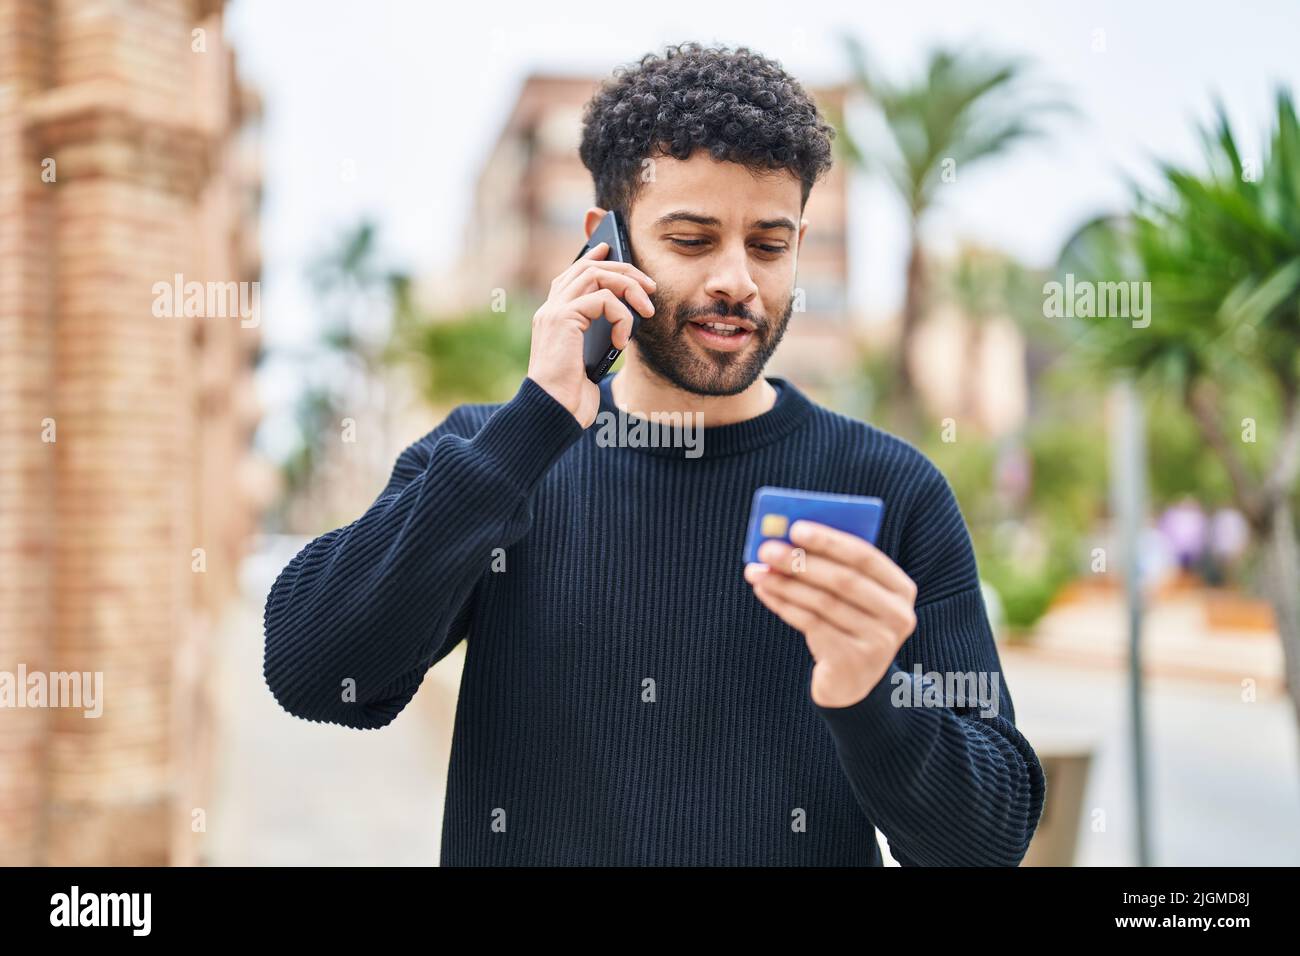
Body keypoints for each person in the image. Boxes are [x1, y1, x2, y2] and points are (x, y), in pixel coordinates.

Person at [263, 42, 1045, 866]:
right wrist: (535, 426)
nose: (737, 280)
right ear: (608, 242)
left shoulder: (893, 488)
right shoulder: (493, 457)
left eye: (770, 245)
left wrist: (871, 702)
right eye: (694, 238)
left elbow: (990, 842)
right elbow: (316, 671)